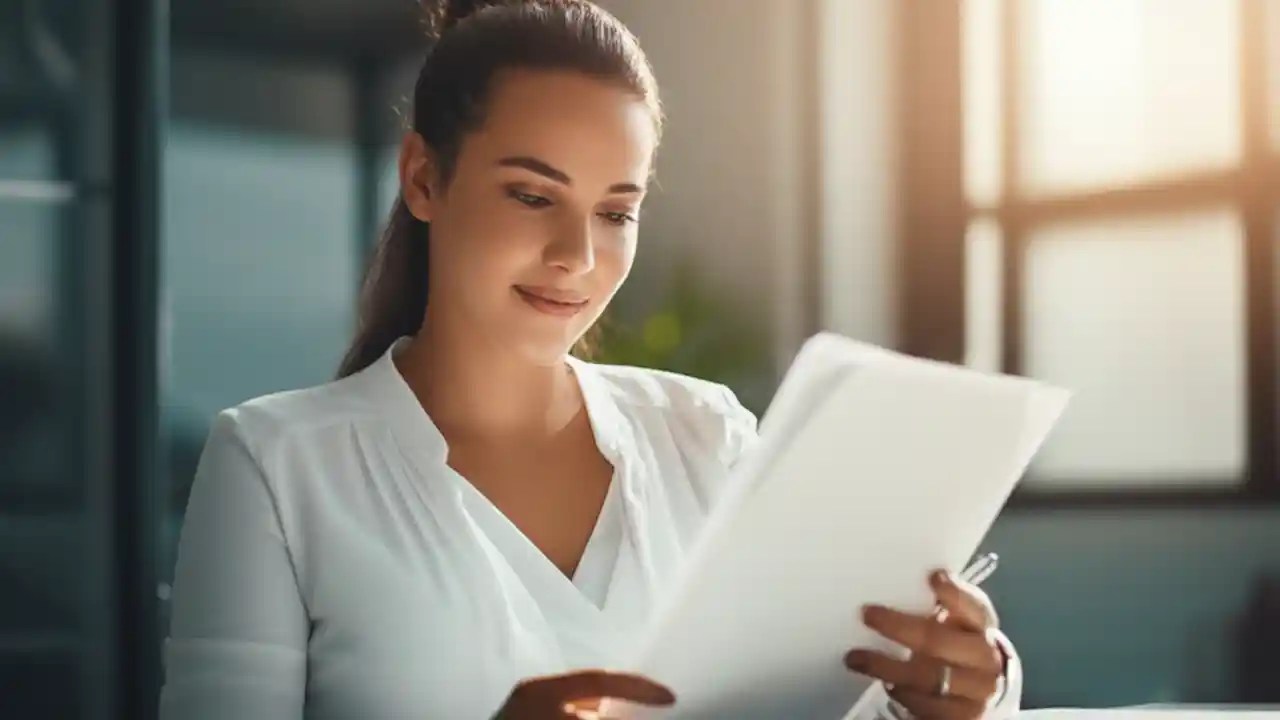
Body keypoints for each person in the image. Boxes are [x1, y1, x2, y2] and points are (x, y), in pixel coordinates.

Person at [158, 1, 1022, 718]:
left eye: (615, 212)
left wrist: (945, 697)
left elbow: (834, 701)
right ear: (423, 178)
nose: (577, 256)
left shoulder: (705, 436)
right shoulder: (277, 464)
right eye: (533, 196)